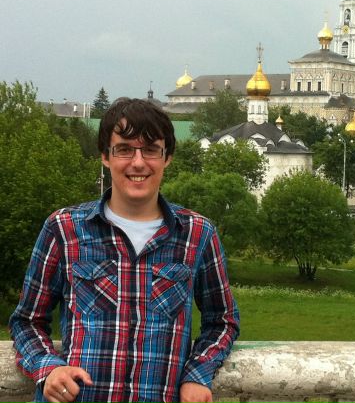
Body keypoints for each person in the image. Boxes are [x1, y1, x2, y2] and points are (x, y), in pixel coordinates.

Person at [10, 98, 240, 403]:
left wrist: (197, 374)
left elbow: (222, 322)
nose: (138, 162)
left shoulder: (197, 234)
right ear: (105, 156)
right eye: (124, 149)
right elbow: (27, 320)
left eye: (151, 150)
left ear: (167, 158)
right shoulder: (64, 229)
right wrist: (48, 367)